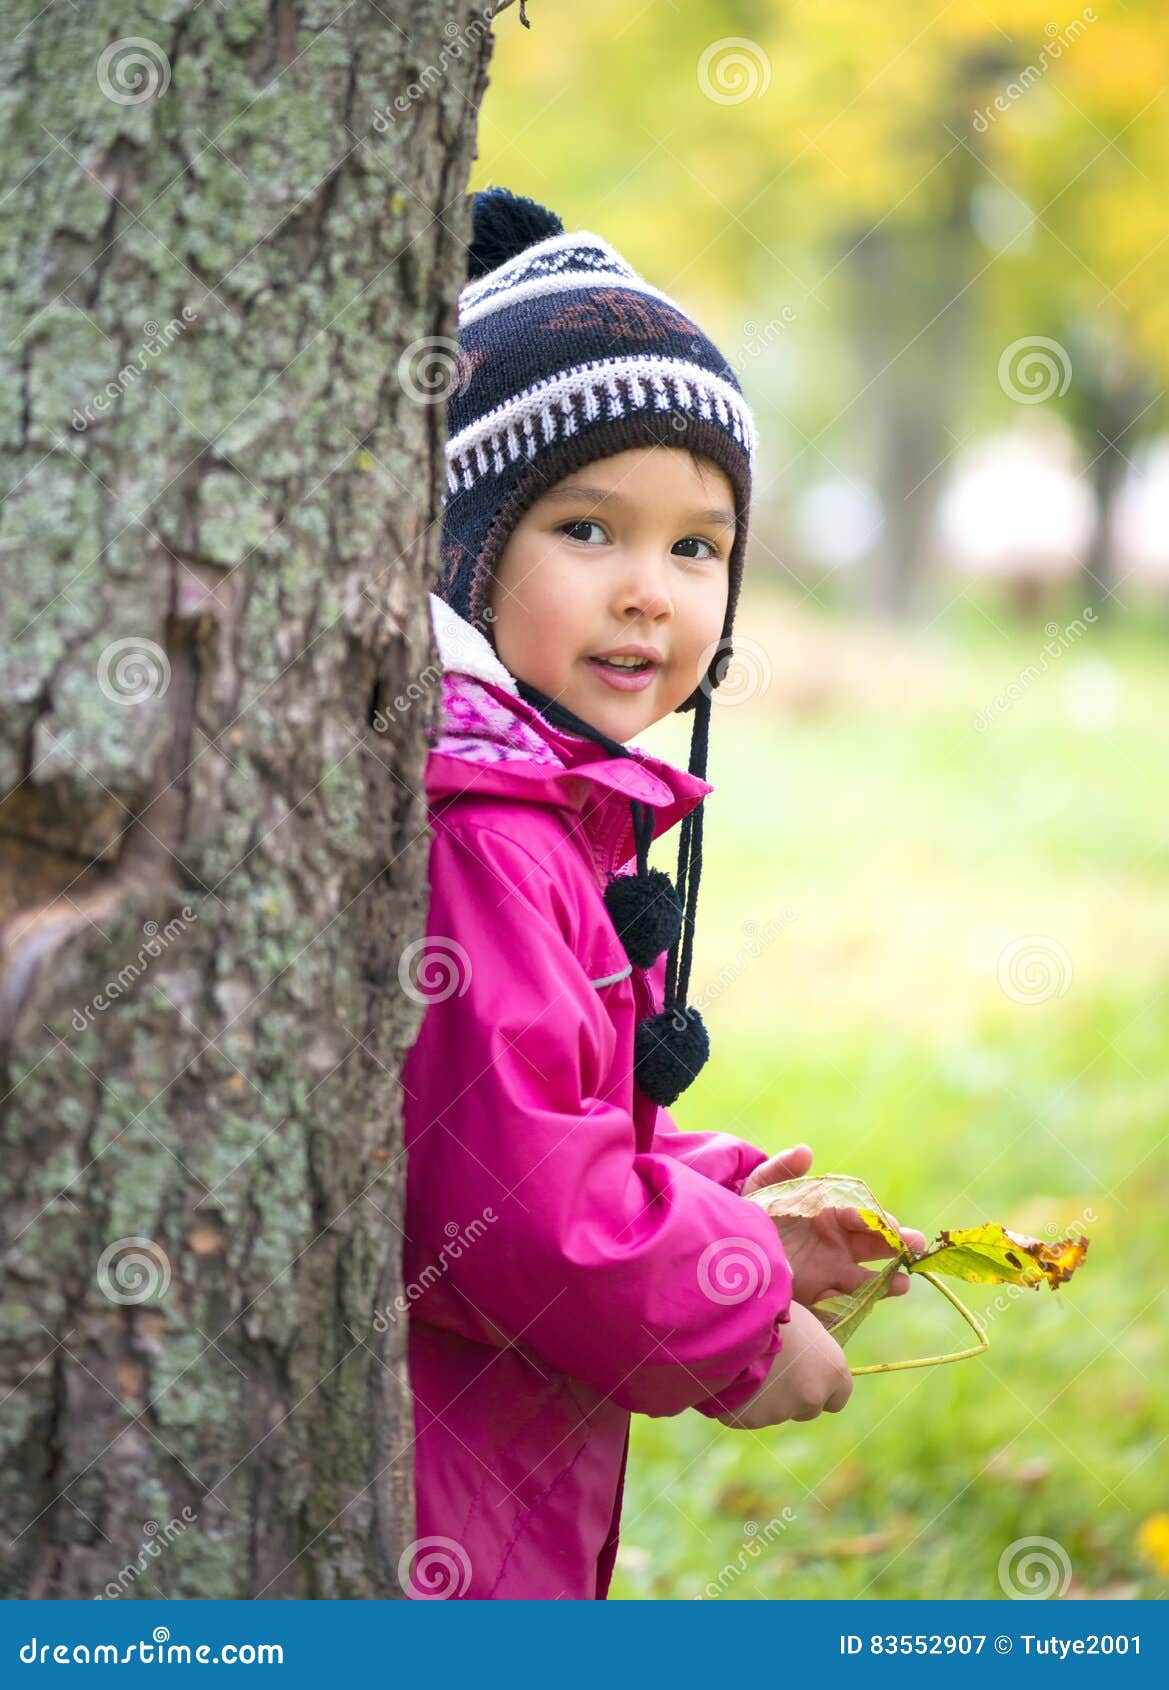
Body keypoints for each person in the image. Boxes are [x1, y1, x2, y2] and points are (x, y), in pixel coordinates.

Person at [397, 188, 921, 1601]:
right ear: (460, 550)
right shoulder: (483, 830)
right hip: (431, 1517)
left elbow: (558, 1115)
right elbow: (507, 1199)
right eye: (587, 529)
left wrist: (739, 1212)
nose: (650, 594)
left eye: (695, 546)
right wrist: (736, 1324)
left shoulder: (552, 812)